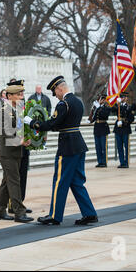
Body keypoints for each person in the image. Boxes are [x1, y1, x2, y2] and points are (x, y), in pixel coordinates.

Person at [25, 76, 98, 226]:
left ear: (60, 88)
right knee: (77, 182)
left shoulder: (63, 104)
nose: (56, 95)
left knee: (59, 181)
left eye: (55, 92)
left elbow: (52, 124)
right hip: (78, 144)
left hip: (67, 146)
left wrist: (32, 123)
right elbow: (64, 123)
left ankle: (54, 215)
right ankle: (89, 213)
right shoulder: (78, 102)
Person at [0, 81, 33, 223]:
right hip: (7, 152)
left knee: (7, 182)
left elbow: (19, 128)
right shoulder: (4, 111)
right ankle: (19, 212)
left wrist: (25, 139)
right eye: (18, 94)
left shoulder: (17, 110)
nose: (21, 96)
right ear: (10, 96)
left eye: (22, 93)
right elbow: (6, 133)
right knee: (14, 181)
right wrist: (20, 141)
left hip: (15, 151)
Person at [112, 92, 134, 168]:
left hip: (125, 128)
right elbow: (112, 110)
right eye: (121, 97)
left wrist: (124, 122)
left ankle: (126, 162)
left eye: (124, 97)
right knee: (119, 146)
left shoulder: (129, 107)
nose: (122, 98)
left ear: (126, 98)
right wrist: (116, 103)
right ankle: (122, 162)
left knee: (126, 146)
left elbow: (131, 118)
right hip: (118, 128)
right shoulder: (118, 106)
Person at [88, 93, 111, 167]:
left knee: (103, 146)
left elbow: (105, 115)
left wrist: (98, 108)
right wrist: (90, 120)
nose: (99, 101)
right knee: (98, 147)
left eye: (100, 99)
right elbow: (94, 116)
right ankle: (99, 161)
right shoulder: (96, 107)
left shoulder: (106, 107)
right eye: (99, 99)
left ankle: (104, 162)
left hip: (103, 128)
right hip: (97, 128)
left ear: (104, 100)